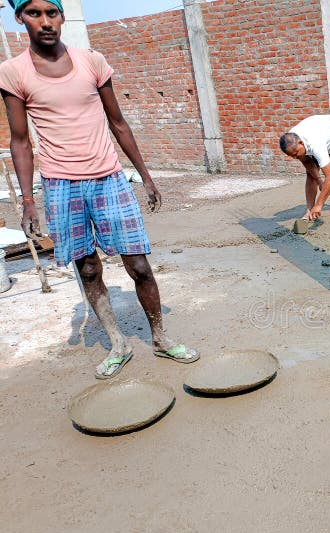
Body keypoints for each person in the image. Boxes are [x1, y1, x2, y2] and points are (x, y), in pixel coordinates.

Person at [0, 0, 199, 379]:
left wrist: (146, 175)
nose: (45, 22)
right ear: (19, 18)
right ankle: (118, 344)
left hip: (108, 178)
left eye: (52, 13)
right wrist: (28, 201)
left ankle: (160, 338)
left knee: (138, 264)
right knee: (88, 269)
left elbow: (118, 122)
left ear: (62, 17)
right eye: (34, 13)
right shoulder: (13, 72)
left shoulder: (92, 61)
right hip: (60, 185)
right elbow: (20, 141)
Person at [279, 114, 330, 221]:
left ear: (301, 143)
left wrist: (319, 205)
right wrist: (319, 181)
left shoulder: (315, 143)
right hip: (321, 136)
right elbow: (308, 164)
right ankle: (309, 211)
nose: (296, 158)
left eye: (296, 154)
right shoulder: (291, 140)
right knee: (310, 175)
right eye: (292, 156)